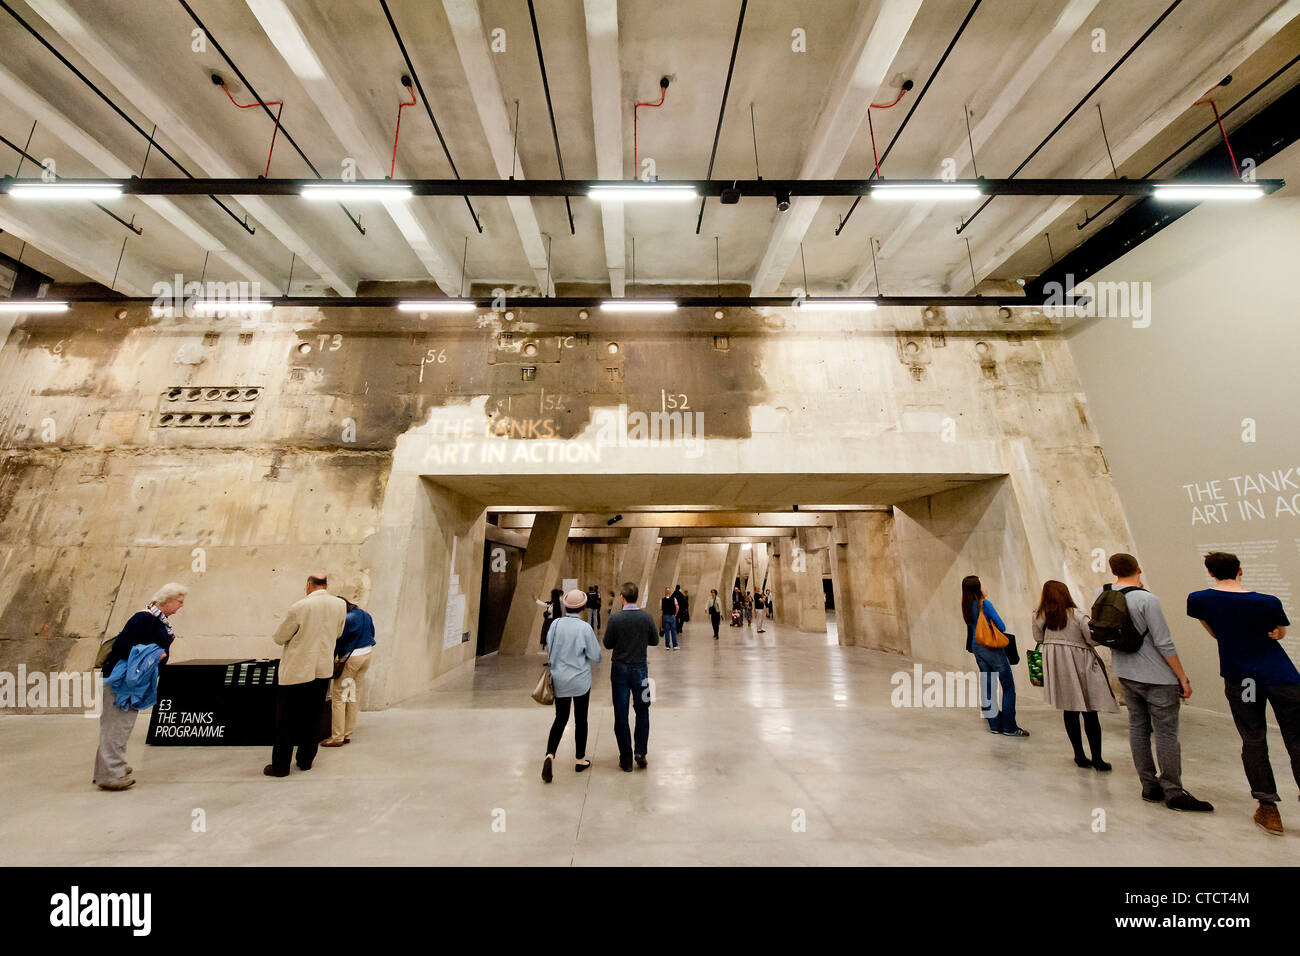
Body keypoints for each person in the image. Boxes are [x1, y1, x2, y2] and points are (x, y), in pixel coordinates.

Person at [1187, 551, 1295, 834]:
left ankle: (1268, 809)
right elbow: (1279, 633)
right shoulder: (1268, 602)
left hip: (1244, 680)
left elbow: (1215, 633)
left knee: (1253, 737)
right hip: (1281, 677)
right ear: (1241, 570)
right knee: (1297, 738)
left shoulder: (1199, 600)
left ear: (1210, 572)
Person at [1099, 553, 1212, 811]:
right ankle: (1173, 791)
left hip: (1126, 672)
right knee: (1166, 733)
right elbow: (1163, 642)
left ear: (1113, 571)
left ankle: (1149, 786)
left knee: (1138, 728)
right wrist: (1181, 677)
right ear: (1138, 569)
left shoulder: (1103, 593)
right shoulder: (1147, 599)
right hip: (1157, 676)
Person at [93, 583, 186, 791]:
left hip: (129, 681)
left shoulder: (157, 620)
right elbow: (122, 647)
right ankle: (111, 775)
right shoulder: (144, 618)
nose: (181, 606)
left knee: (116, 726)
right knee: (117, 727)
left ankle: (108, 769)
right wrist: (155, 654)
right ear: (167, 600)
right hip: (121, 681)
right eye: (179, 601)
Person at [265, 573, 346, 778]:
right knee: (313, 716)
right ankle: (306, 760)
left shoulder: (300, 606)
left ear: (309, 585)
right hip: (322, 669)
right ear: (326, 584)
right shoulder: (339, 605)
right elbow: (338, 633)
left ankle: (281, 766)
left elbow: (279, 637)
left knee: (286, 719)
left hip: (298, 670)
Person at [1033, 580, 1116, 770]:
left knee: (1069, 710)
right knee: (1090, 713)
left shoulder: (1039, 616)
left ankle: (1079, 754)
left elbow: (1038, 638)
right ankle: (1097, 759)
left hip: (1058, 667)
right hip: (1081, 665)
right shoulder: (1077, 615)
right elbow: (1092, 639)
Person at [542, 589, 602, 782]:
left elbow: (549, 648)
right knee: (581, 719)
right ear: (583, 607)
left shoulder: (555, 624)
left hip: (559, 679)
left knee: (560, 718)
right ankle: (580, 759)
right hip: (580, 680)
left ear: (565, 606)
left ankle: (550, 754)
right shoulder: (585, 628)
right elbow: (596, 655)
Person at [962, 575, 1028, 738]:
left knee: (988, 685)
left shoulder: (967, 606)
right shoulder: (985, 604)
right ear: (978, 587)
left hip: (977, 646)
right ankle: (1009, 727)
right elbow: (1001, 626)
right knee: (1008, 687)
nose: (985, 584)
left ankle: (994, 724)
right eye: (982, 582)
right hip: (991, 647)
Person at [603, 582, 658, 771]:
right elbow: (655, 640)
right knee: (643, 711)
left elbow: (607, 644)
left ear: (622, 598)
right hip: (641, 671)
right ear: (636, 597)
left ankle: (626, 759)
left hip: (619, 671)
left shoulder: (615, 619)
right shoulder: (646, 617)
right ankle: (640, 752)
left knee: (621, 714)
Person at [322, 598, 376, 748]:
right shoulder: (364, 614)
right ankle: (347, 733)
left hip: (351, 658)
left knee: (339, 696)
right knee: (353, 694)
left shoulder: (346, 619)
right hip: (367, 655)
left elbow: (338, 641)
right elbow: (372, 632)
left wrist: (332, 659)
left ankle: (337, 737)